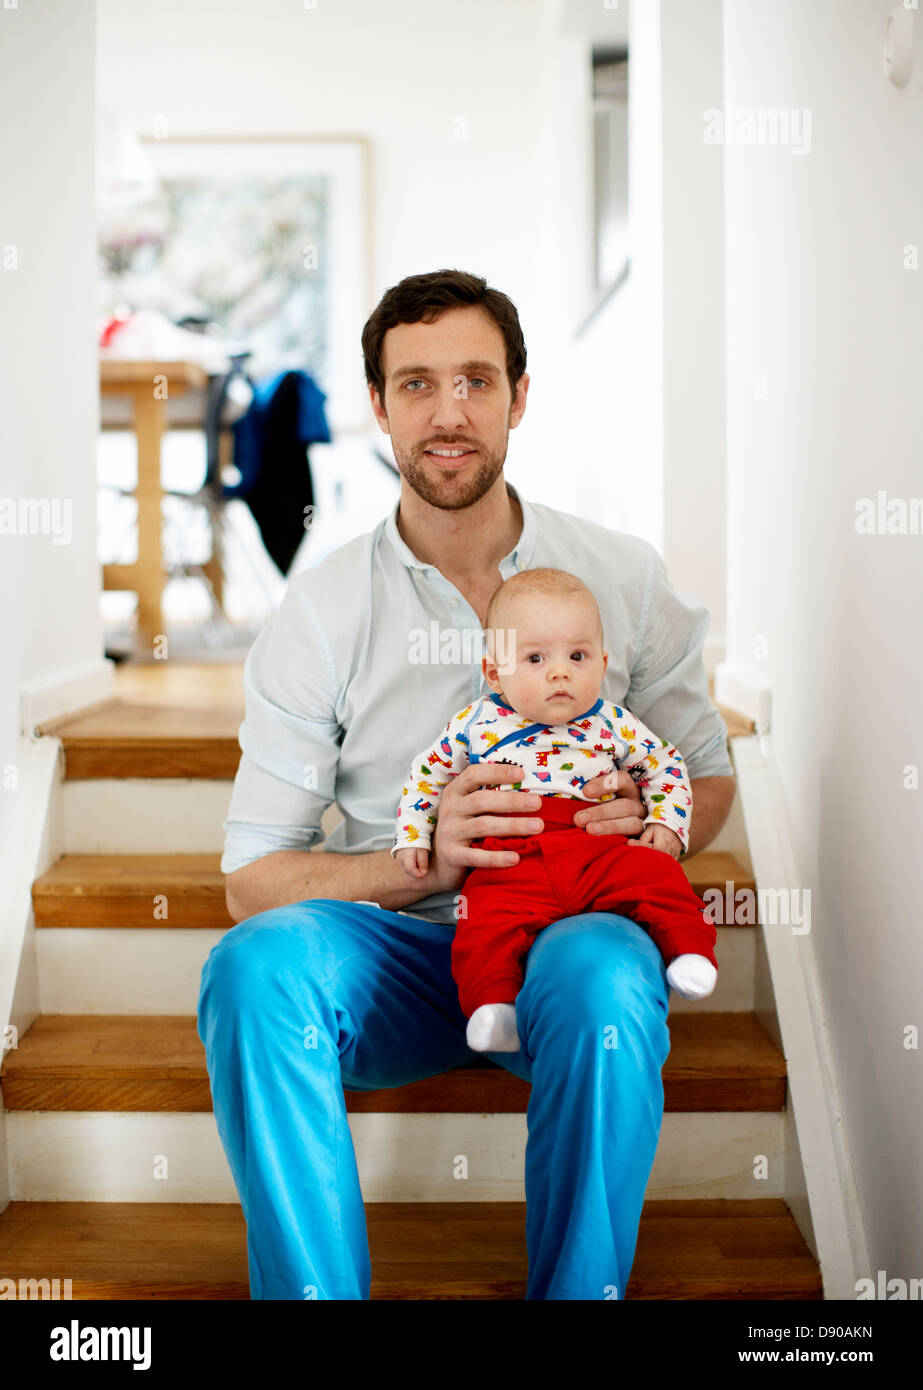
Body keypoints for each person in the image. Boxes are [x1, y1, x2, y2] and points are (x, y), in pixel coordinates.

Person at [197, 268, 737, 1300]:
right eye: (414, 384)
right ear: (378, 405)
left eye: (475, 381)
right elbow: (250, 878)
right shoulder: (317, 612)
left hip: (568, 927)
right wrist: (423, 864)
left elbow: (704, 780)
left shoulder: (619, 575)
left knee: (603, 975)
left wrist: (657, 832)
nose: (446, 414)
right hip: (399, 953)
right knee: (253, 965)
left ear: (518, 397)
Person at [392, 567, 719, 1055]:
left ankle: (688, 951)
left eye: (578, 656)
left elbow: (664, 765)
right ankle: (494, 1006)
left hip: (598, 853)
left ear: (602, 664)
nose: (560, 671)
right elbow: (428, 775)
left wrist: (666, 822)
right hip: (510, 860)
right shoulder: (476, 724)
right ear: (494, 671)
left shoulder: (613, 724)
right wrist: (414, 836)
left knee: (657, 877)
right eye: (536, 658)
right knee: (482, 922)